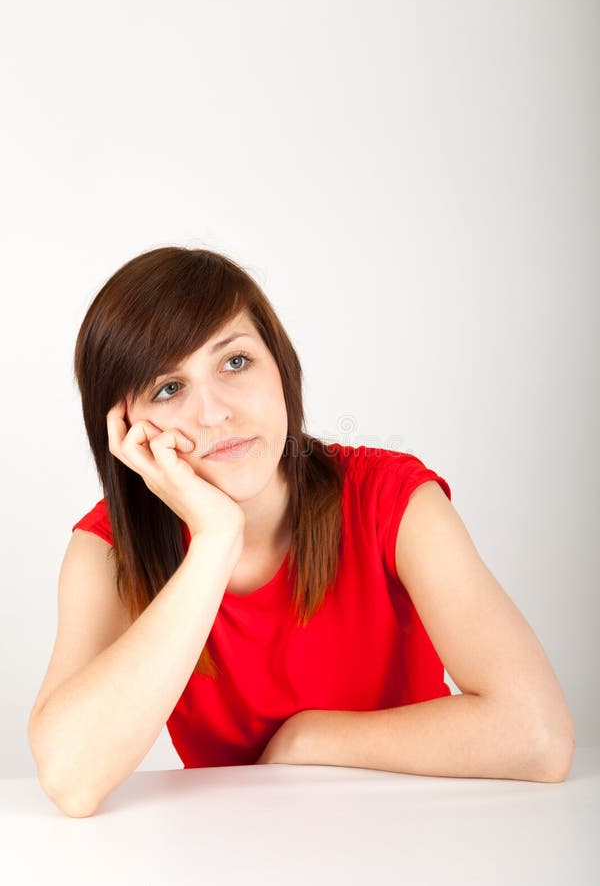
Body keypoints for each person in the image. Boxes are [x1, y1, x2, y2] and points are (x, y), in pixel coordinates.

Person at [28, 246, 575, 818]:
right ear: (126, 428)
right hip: (231, 846)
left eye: (235, 362)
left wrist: (309, 741)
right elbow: (70, 778)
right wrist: (215, 540)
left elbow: (538, 735)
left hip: (412, 829)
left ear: (280, 366)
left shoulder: (391, 500)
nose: (214, 413)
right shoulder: (109, 551)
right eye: (168, 388)